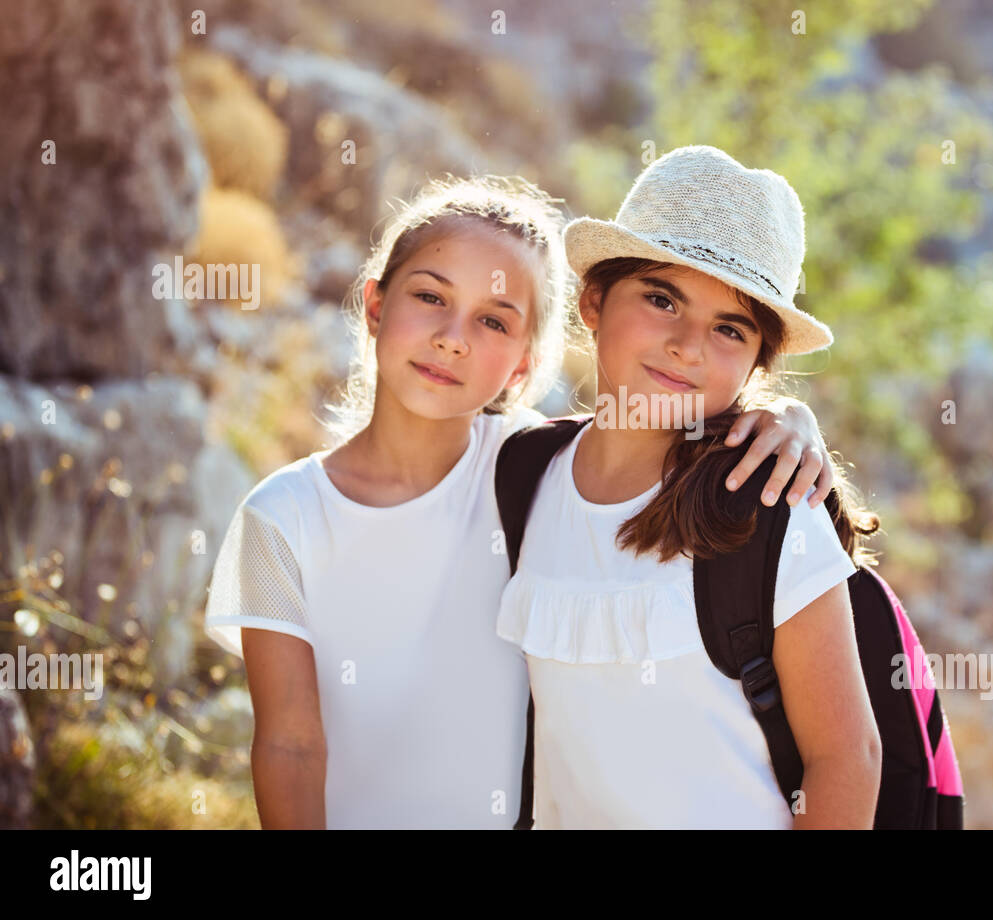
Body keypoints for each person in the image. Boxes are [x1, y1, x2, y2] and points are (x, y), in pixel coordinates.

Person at [204, 173, 835, 828]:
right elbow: (289, 743)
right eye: (429, 296)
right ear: (373, 304)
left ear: (525, 366)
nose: (453, 338)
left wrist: (788, 417)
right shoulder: (281, 517)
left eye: (494, 320)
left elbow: (658, 426)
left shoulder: (530, 470)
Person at [496, 146, 883, 829]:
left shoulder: (767, 506)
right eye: (661, 298)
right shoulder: (524, 471)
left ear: (757, 365)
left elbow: (848, 755)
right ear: (593, 301)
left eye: (729, 329)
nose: (688, 346)